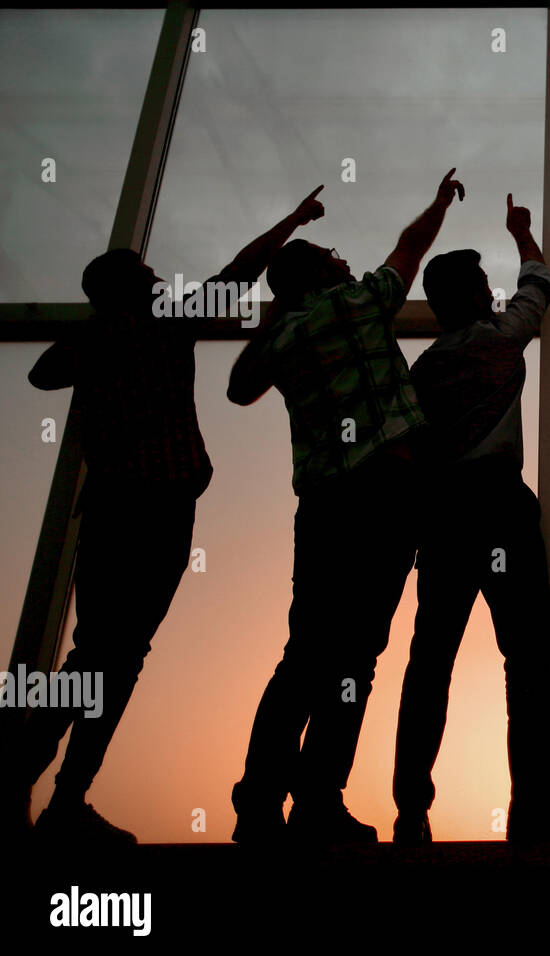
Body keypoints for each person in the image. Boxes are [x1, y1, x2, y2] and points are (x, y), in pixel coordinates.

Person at [3, 187, 326, 846]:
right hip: (159, 513)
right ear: (132, 290)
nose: (160, 281)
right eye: (149, 277)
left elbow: (41, 373)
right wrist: (291, 220)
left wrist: (97, 332)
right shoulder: (166, 321)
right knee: (118, 657)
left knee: (100, 654)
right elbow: (239, 272)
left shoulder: (97, 339)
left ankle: (44, 786)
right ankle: (57, 795)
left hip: (111, 513)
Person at [226, 169, 464, 846]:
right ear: (320, 274)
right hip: (385, 493)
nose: (344, 261)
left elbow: (238, 388)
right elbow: (410, 248)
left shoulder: (280, 338)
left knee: (304, 653)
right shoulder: (360, 301)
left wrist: (278, 314)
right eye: (333, 257)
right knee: (356, 656)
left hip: (323, 504)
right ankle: (318, 802)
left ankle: (259, 802)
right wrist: (438, 202)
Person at [391, 194, 550, 844]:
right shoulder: (500, 340)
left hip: (444, 517)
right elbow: (539, 284)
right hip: (500, 507)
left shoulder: (422, 372)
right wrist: (522, 232)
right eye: (485, 284)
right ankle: (533, 809)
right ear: (475, 296)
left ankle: (411, 810)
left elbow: (412, 454)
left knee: (431, 659)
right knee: (528, 658)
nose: (493, 292)